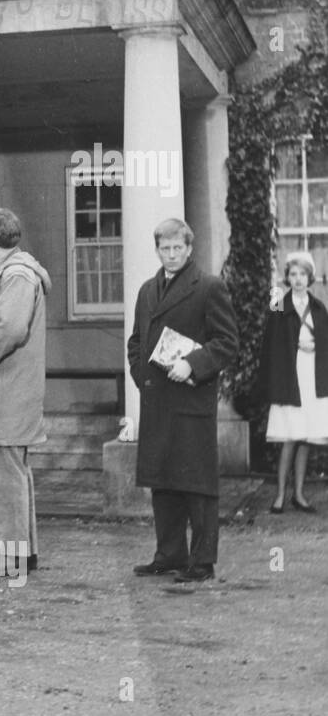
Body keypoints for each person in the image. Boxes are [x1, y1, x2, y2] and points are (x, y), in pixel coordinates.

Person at [128, 218, 238, 583]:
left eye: (178, 248)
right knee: (164, 481)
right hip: (158, 400)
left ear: (190, 249)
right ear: (157, 250)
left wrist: (191, 364)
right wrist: (142, 377)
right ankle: (169, 553)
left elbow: (227, 342)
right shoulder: (147, 290)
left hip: (191, 400)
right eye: (165, 248)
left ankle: (202, 561)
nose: (172, 254)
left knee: (197, 485)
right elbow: (136, 342)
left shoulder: (209, 287)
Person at [0, 208, 50, 574]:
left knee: (6, 476)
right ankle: (23, 550)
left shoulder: (16, 276)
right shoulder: (18, 272)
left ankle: (13, 555)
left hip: (7, 389)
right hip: (12, 388)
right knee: (15, 471)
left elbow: (10, 329)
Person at [261, 251, 328, 513]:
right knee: (290, 435)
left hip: (313, 377)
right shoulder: (279, 304)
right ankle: (279, 495)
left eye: (302, 274)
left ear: (310, 277)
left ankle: (298, 495)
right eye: (293, 274)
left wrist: (313, 347)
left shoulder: (319, 307)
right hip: (289, 376)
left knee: (306, 437)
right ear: (287, 277)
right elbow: (270, 343)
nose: (298, 279)